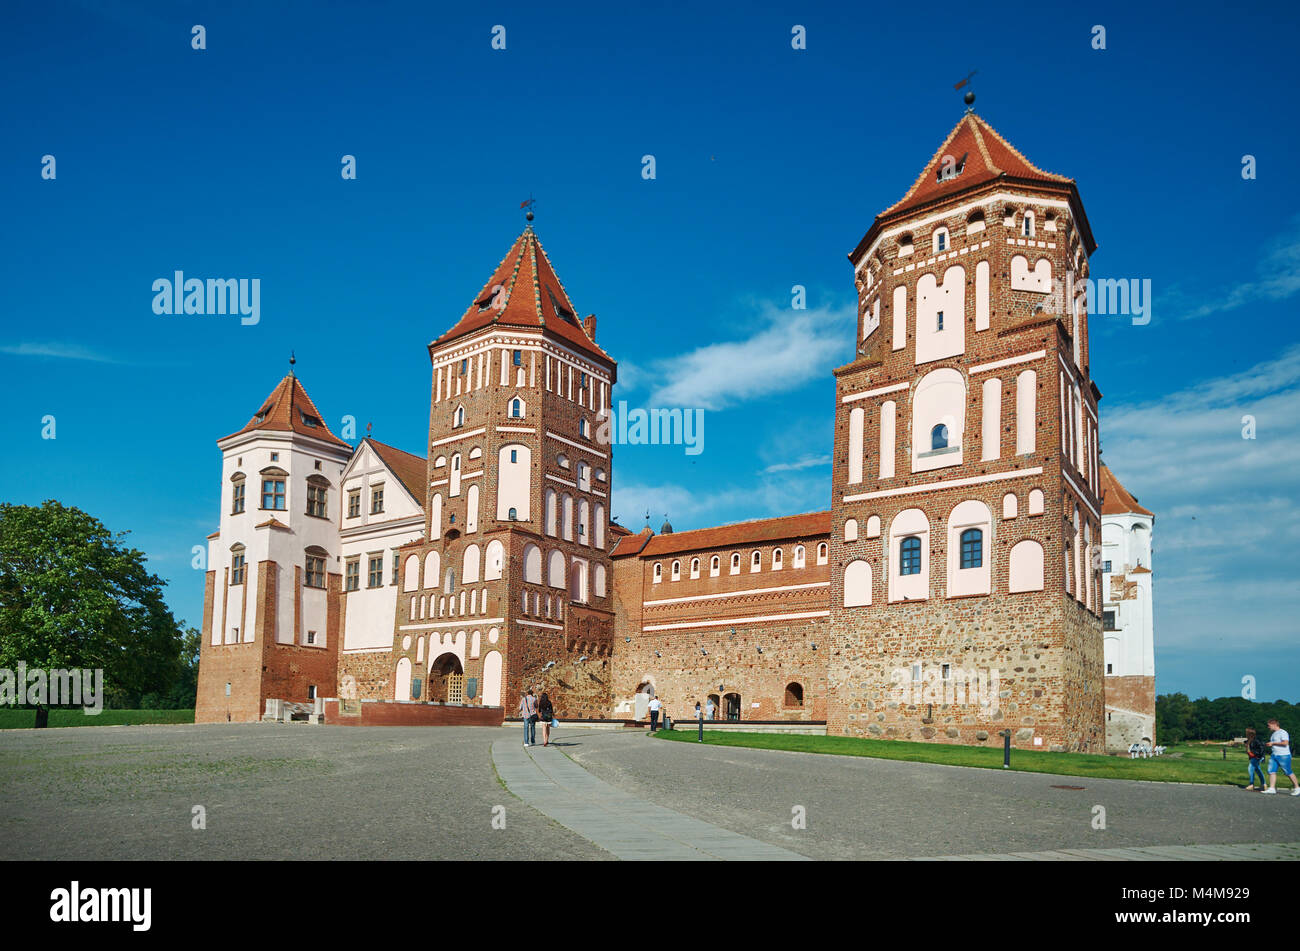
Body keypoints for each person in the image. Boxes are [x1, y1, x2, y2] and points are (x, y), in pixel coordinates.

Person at [1264, 718, 1300, 795]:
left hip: (1283, 755)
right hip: (1274, 755)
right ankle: (1272, 788)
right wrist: (1271, 744)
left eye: (1269, 725)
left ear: (1274, 724)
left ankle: (1297, 788)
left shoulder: (1283, 732)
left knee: (1288, 772)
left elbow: (1285, 743)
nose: (1268, 727)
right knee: (1271, 771)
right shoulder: (1274, 733)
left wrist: (1273, 743)